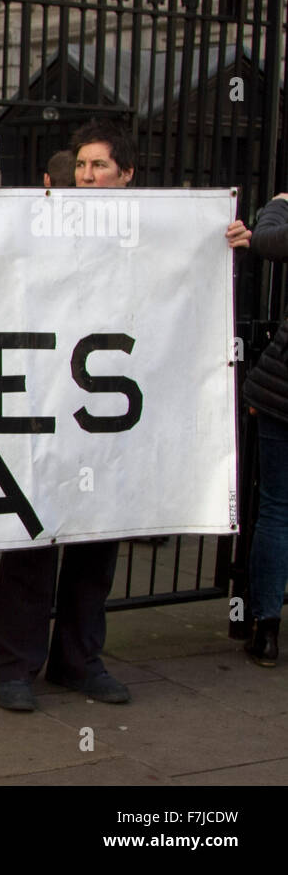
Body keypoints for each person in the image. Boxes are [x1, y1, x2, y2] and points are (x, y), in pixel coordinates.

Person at [0, 118, 135, 712]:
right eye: (81, 165)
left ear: (126, 174)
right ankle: (15, 668)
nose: (87, 176)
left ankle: (79, 661)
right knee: (33, 535)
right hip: (46, 403)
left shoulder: (155, 230)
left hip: (106, 409)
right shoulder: (42, 217)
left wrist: (219, 238)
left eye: (100, 165)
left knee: (96, 539)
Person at [227, 194, 288, 664]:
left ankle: (266, 630)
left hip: (280, 392)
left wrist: (279, 202)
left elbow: (268, 239)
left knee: (276, 509)